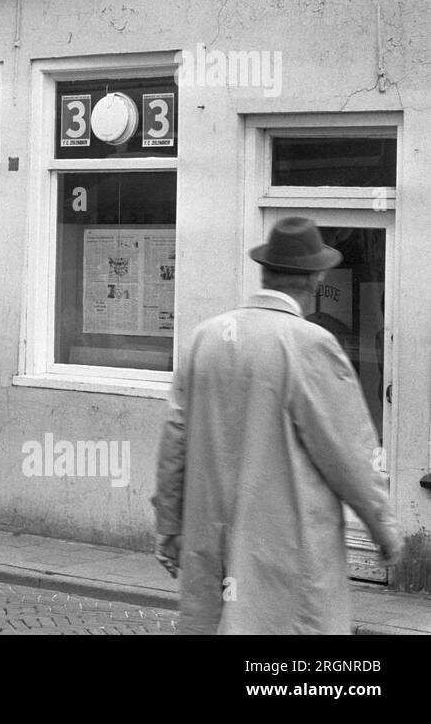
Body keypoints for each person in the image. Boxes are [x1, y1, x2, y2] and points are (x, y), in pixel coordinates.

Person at [152, 216, 402, 634]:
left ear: (265, 271)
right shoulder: (311, 343)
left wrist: (169, 528)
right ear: (317, 276)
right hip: (287, 547)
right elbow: (347, 453)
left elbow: (174, 444)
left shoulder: (204, 337)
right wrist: (383, 527)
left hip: (210, 538)